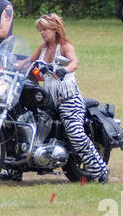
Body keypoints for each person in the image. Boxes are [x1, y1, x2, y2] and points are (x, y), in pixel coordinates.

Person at [27, 13, 107, 182]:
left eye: (45, 29)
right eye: (40, 30)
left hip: (69, 100)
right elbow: (27, 62)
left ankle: (100, 170)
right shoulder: (42, 49)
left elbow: (74, 62)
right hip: (48, 101)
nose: (42, 33)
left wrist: (65, 69)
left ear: (55, 29)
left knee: (76, 134)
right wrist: (9, 65)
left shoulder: (65, 46)